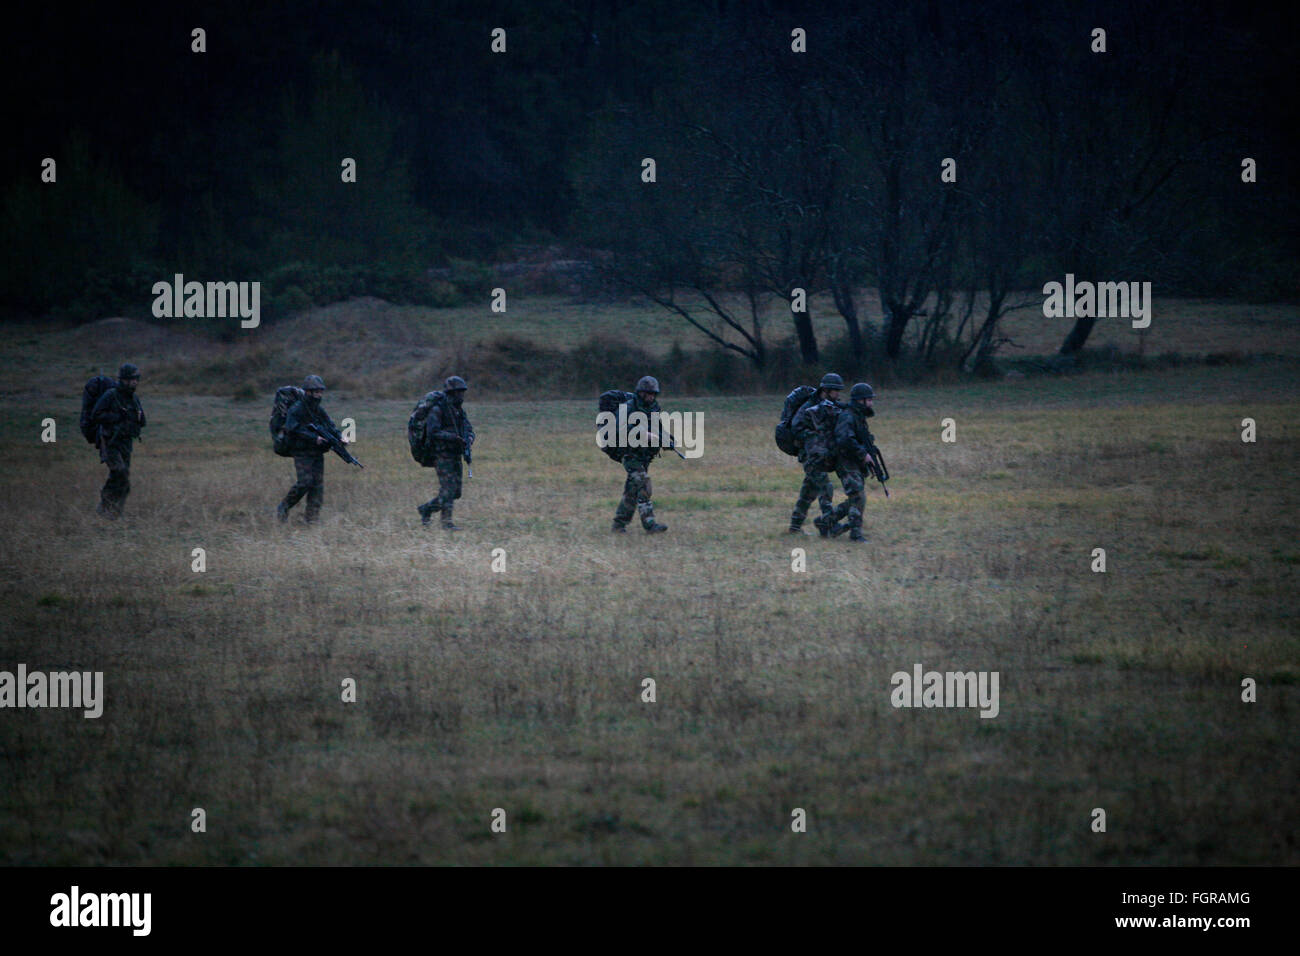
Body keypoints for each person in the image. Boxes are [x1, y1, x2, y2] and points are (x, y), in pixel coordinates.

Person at [276, 375, 341, 524]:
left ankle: (312, 519)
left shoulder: (318, 409)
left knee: (317, 485)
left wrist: (339, 437)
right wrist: (314, 438)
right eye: (316, 391)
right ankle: (284, 506)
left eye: (320, 391)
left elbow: (330, 425)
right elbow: (293, 429)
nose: (319, 395)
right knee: (305, 482)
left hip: (317, 451)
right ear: (308, 392)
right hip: (302, 451)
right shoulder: (297, 409)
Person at [788, 372, 846, 536]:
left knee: (809, 491)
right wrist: (814, 436)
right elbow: (796, 428)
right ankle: (829, 524)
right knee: (825, 487)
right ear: (826, 390)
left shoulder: (832, 405)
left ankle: (795, 526)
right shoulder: (808, 406)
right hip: (810, 455)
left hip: (822, 455)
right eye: (836, 390)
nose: (838, 394)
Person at [417, 376, 475, 531]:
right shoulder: (438, 410)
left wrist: (469, 438)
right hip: (442, 455)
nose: (461, 396)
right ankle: (446, 523)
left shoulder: (459, 412)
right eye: (459, 393)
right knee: (447, 490)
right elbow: (433, 432)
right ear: (451, 393)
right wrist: (452, 438)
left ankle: (427, 509)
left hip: (456, 454)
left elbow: (469, 429)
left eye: (462, 393)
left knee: (456, 492)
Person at [612, 375, 669, 534]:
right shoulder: (628, 408)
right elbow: (619, 429)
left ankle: (618, 525)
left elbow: (659, 429)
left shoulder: (654, 408)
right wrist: (645, 434)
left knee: (632, 490)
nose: (651, 397)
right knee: (644, 484)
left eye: (653, 394)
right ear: (640, 393)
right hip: (629, 454)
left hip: (645, 455)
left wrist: (667, 441)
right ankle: (650, 524)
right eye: (648, 393)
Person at [90, 363, 145, 519]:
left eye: (137, 379)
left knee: (124, 479)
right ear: (124, 380)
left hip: (126, 443)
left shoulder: (134, 398)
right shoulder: (111, 395)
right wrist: (117, 418)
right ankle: (105, 505)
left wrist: (135, 421)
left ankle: (115, 511)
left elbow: (142, 420)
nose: (135, 382)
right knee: (119, 471)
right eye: (132, 379)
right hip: (110, 441)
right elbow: (96, 415)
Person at [831, 383, 879, 543]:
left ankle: (826, 520)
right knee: (858, 496)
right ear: (861, 400)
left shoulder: (858, 416)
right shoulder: (848, 415)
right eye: (869, 400)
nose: (871, 403)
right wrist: (863, 454)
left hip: (853, 461)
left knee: (855, 497)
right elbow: (845, 439)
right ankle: (856, 535)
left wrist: (867, 459)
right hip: (845, 461)